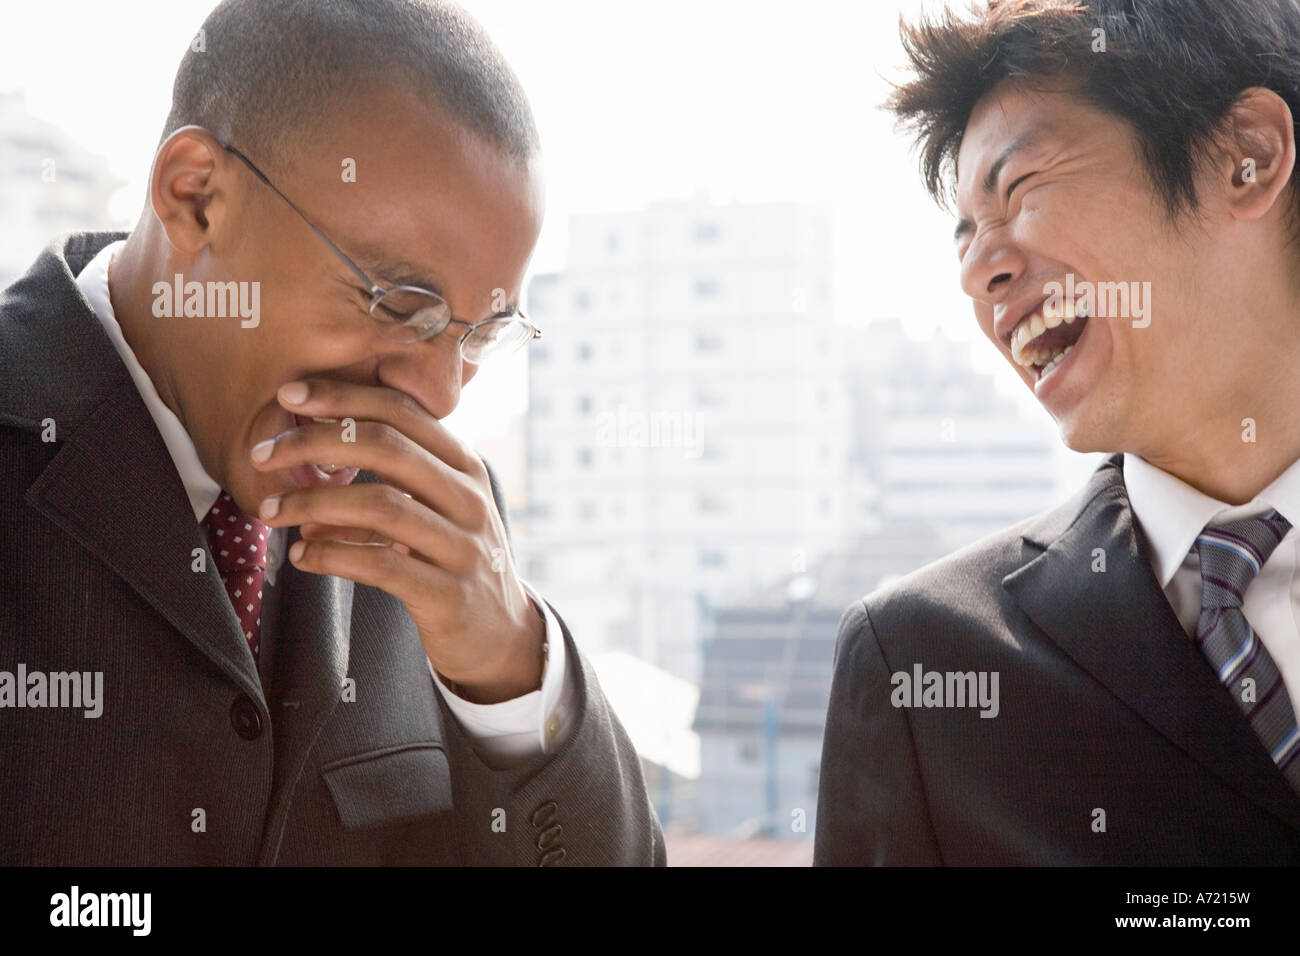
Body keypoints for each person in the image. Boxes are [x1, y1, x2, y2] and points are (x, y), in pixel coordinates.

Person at [0, 0, 664, 866]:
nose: (438, 396)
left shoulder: (445, 531)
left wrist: (509, 672)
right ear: (195, 198)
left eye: (480, 335)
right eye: (400, 305)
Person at [816, 0, 1300, 864]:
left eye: (1022, 188)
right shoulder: (923, 669)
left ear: (1245, 158)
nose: (978, 272)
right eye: (964, 236)